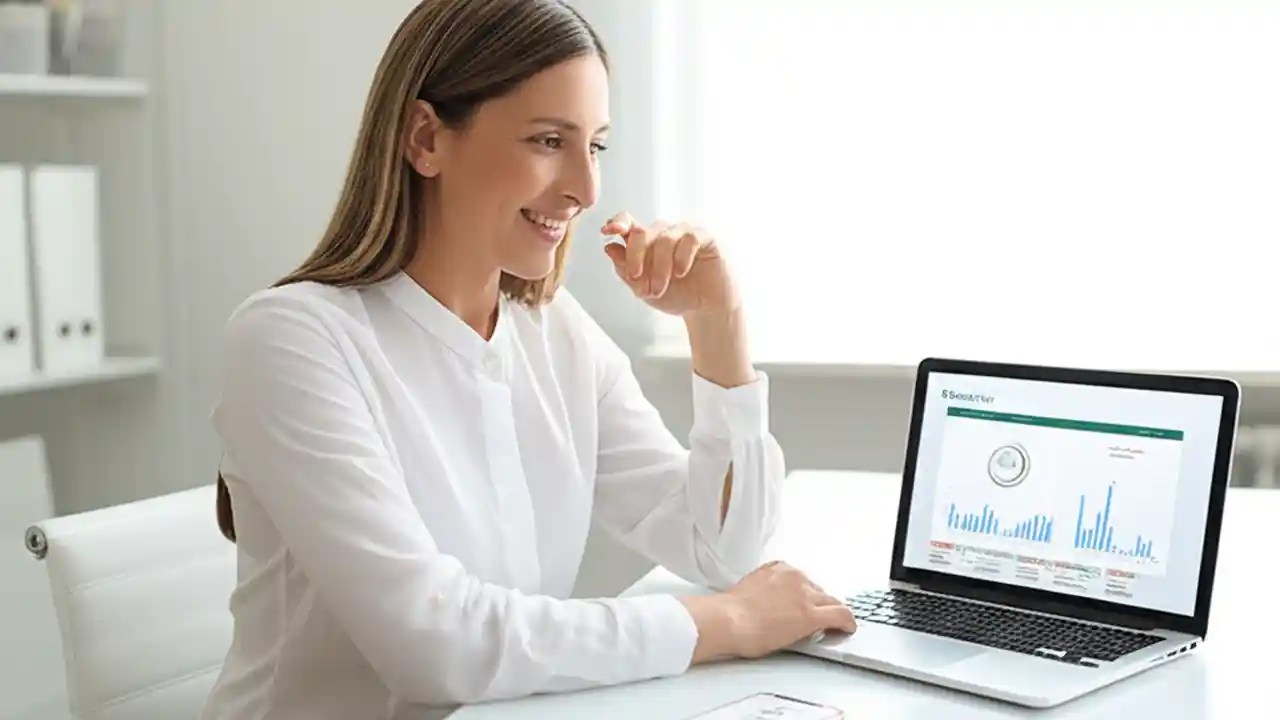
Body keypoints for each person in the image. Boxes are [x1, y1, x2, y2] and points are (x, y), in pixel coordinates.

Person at [200, 1, 855, 718]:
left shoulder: (554, 334)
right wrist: (725, 623)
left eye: (596, 146)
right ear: (426, 138)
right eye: (549, 140)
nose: (585, 187)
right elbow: (437, 647)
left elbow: (722, 549)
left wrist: (717, 325)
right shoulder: (292, 339)